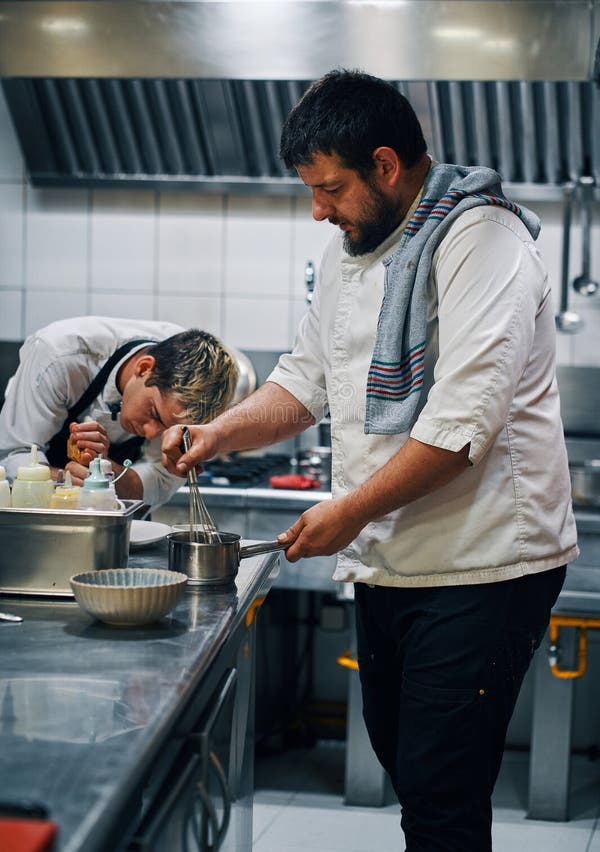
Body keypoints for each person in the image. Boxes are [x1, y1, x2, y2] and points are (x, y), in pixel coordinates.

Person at [161, 70, 578, 850]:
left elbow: (460, 429)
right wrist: (220, 433)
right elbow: (304, 378)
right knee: (407, 764)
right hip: (391, 559)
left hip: (482, 562)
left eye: (330, 187)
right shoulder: (354, 243)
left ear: (387, 165)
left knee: (440, 791)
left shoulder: (481, 242)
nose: (318, 208)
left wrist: (347, 509)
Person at [0, 315, 238, 507]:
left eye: (167, 428)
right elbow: (13, 454)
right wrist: (66, 480)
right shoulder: (60, 356)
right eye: (154, 413)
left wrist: (108, 475)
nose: (150, 434)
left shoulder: (196, 390)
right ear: (144, 368)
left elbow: (160, 478)